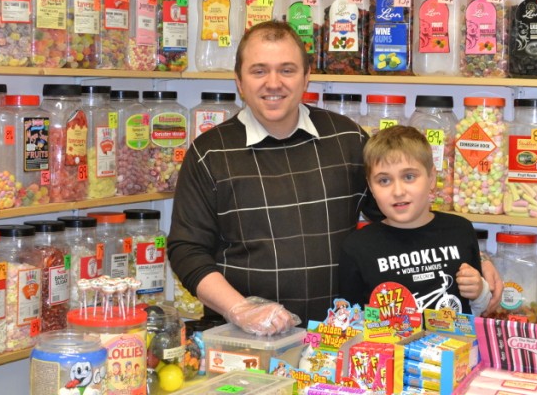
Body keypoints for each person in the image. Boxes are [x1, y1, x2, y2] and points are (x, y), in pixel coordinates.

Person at [167, 21, 501, 335]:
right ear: (239, 81)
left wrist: (469, 258)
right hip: (247, 340)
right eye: (259, 71)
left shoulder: (346, 140)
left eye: (287, 70)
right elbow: (187, 251)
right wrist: (240, 310)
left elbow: (405, 215)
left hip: (339, 341)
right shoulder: (209, 153)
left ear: (306, 77)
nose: (274, 82)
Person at [339, 125, 491, 316]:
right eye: (384, 181)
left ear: (432, 178)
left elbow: (475, 311)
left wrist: (480, 292)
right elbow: (349, 321)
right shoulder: (357, 247)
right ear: (370, 186)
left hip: (455, 344)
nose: (398, 191)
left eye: (409, 176)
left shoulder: (460, 231)